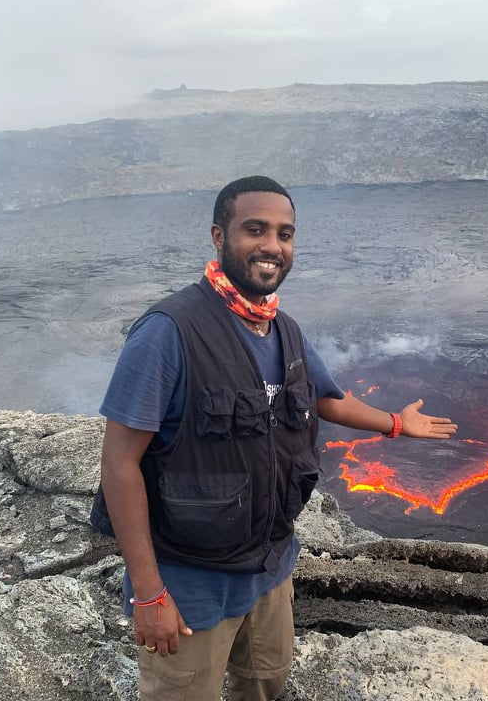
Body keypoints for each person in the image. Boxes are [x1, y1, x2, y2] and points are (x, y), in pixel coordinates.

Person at [91, 175, 457, 700]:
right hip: (191, 582)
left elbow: (327, 398)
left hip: (270, 569)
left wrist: (395, 423)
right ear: (219, 236)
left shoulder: (283, 329)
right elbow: (120, 463)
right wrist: (148, 594)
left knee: (266, 683)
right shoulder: (169, 330)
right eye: (255, 230)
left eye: (285, 234)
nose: (272, 246)